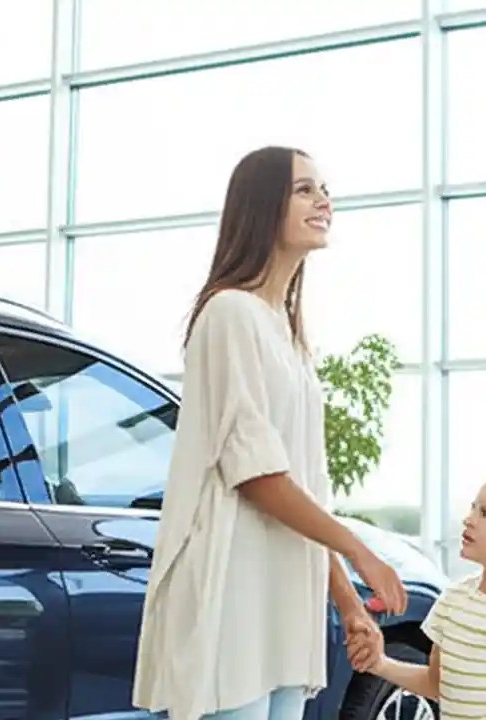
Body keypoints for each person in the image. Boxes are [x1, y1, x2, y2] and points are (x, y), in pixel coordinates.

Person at [131, 146, 409, 720]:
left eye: (325, 189)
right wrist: (359, 550)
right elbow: (255, 473)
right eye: (305, 189)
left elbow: (299, 487)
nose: (323, 200)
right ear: (262, 206)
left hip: (281, 603)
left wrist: (347, 600)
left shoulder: (287, 334)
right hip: (234, 594)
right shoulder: (229, 315)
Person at [345, 475, 486, 720]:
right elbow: (435, 685)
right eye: (473, 508)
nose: (469, 520)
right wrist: (380, 664)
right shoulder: (452, 600)